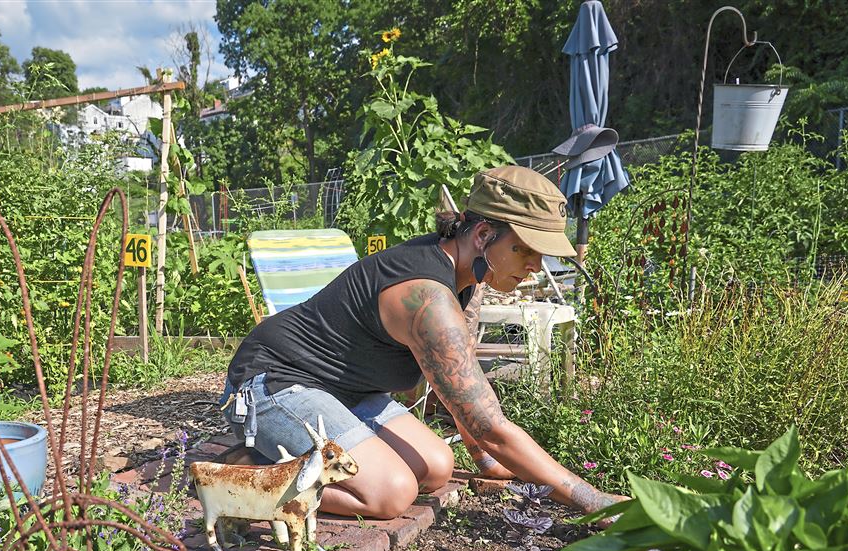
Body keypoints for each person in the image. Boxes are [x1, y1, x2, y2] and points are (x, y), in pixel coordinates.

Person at [221, 165, 623, 520]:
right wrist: (594, 502)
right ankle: (241, 476)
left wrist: (484, 459)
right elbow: (491, 427)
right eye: (527, 250)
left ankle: (273, 456)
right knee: (390, 492)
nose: (536, 266)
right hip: (274, 384)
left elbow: (460, 387)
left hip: (344, 391)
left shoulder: (464, 275)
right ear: (484, 234)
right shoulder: (428, 299)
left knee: (436, 466)